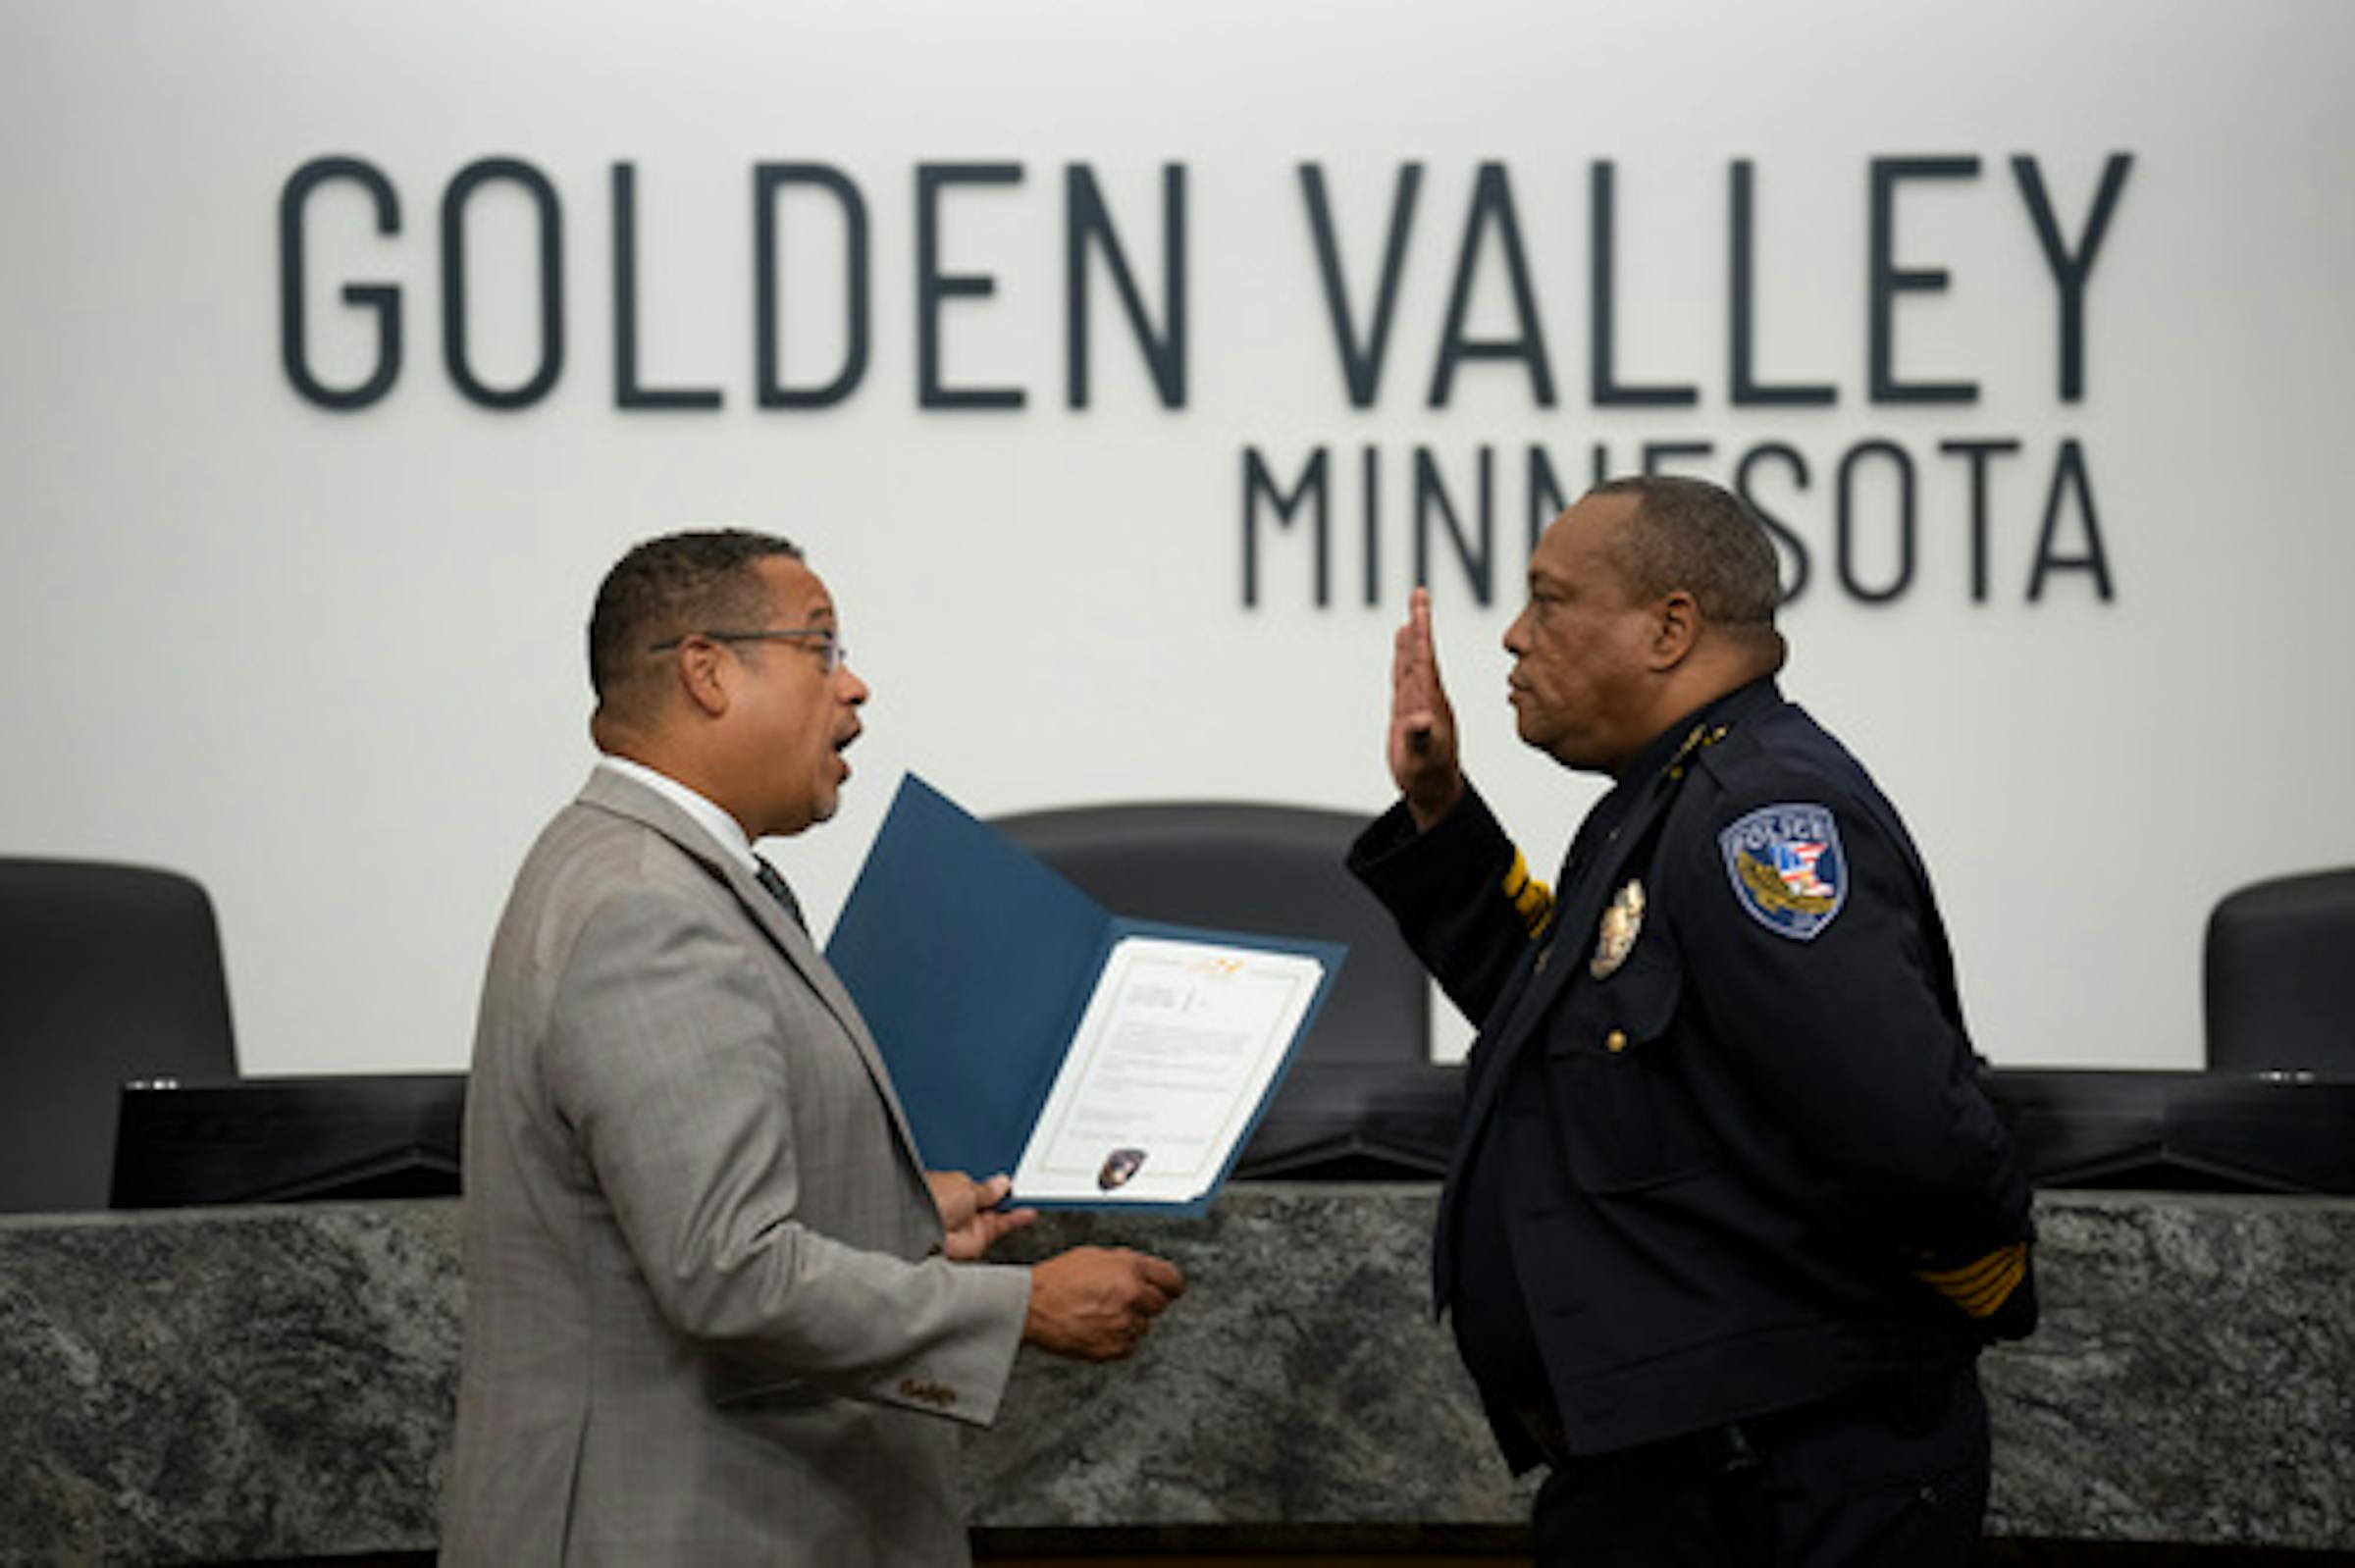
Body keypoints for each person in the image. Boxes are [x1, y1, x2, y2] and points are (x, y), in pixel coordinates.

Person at [442, 529, 1184, 1567]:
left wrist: (908, 1220)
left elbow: (683, 1212)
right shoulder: (651, 908)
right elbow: (727, 1268)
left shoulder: (650, 869)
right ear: (708, 670)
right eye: (822, 648)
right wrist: (1023, 1306)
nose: (856, 687)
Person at [1348, 476, 2036, 1566]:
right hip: (1682, 1480)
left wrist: (1978, 1282)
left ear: (1671, 625)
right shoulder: (1660, 805)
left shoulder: (1756, 819)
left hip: (1784, 1487)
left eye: (1550, 601)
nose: (1515, 637)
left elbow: (1906, 1125)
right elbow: (1572, 1036)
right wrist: (1441, 811)